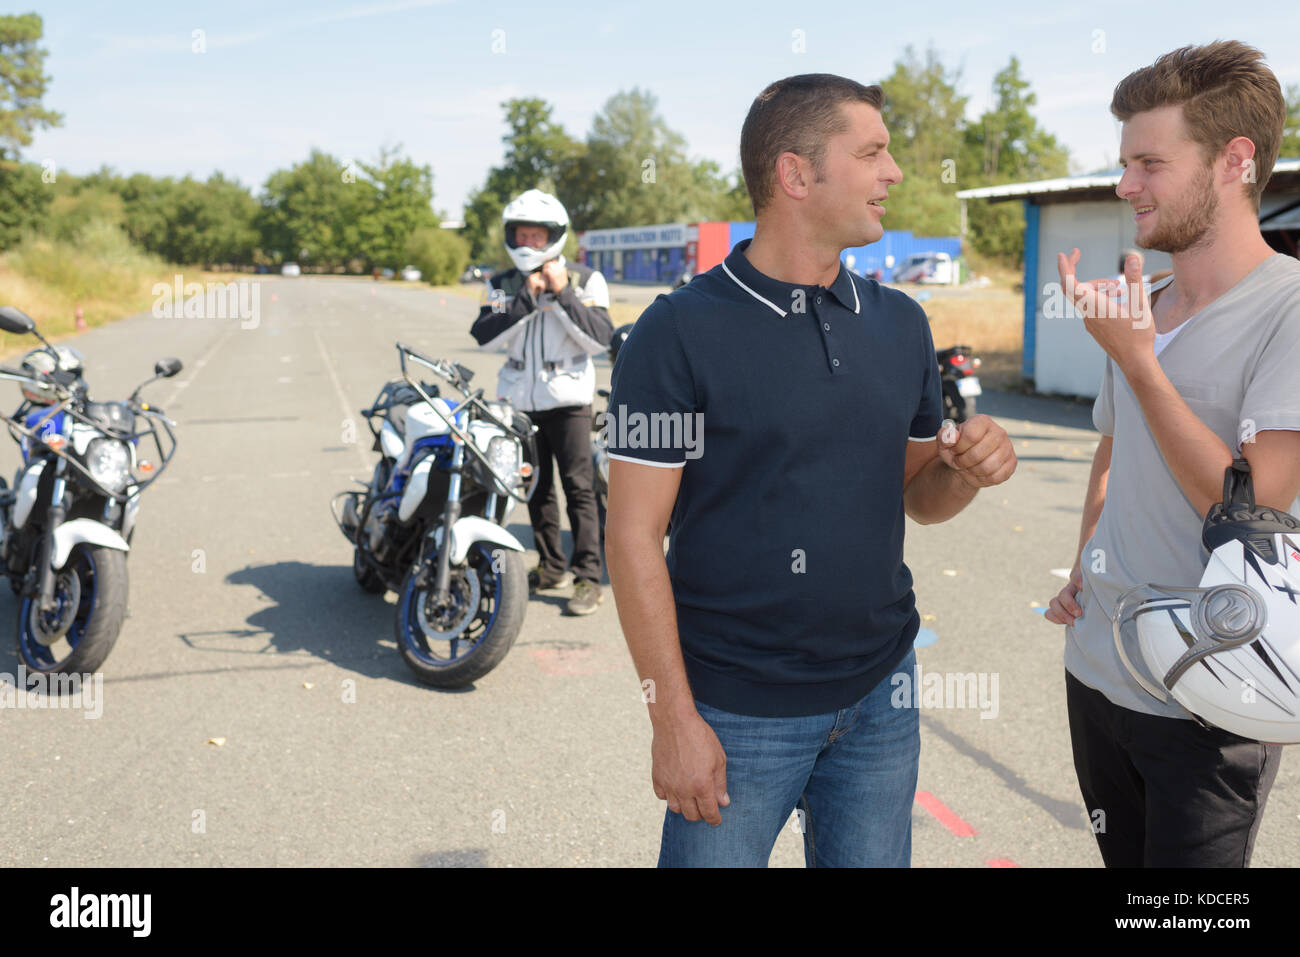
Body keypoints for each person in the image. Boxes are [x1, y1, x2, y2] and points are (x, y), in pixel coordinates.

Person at [604, 74, 1017, 867]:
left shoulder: (901, 323)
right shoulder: (676, 333)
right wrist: (673, 720)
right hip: (733, 711)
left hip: (881, 698)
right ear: (796, 174)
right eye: (872, 153)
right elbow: (631, 537)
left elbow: (920, 499)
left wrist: (965, 470)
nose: (894, 172)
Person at [1046, 41, 1300, 867]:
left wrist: (1141, 362)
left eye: (1150, 163)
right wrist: (1087, 553)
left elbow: (1250, 506)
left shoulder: (1288, 312)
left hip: (1211, 698)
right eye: (1124, 163)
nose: (1126, 186)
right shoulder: (1142, 302)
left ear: (1235, 161)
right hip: (1097, 672)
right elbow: (1113, 451)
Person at [470, 189, 614, 616]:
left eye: (537, 236)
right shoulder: (501, 285)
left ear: (553, 236)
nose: (528, 243)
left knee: (580, 488)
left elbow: (601, 338)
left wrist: (563, 293)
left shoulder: (587, 279)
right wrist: (527, 300)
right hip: (518, 400)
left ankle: (588, 575)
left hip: (569, 400)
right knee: (534, 487)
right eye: (522, 235)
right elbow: (484, 334)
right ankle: (551, 566)